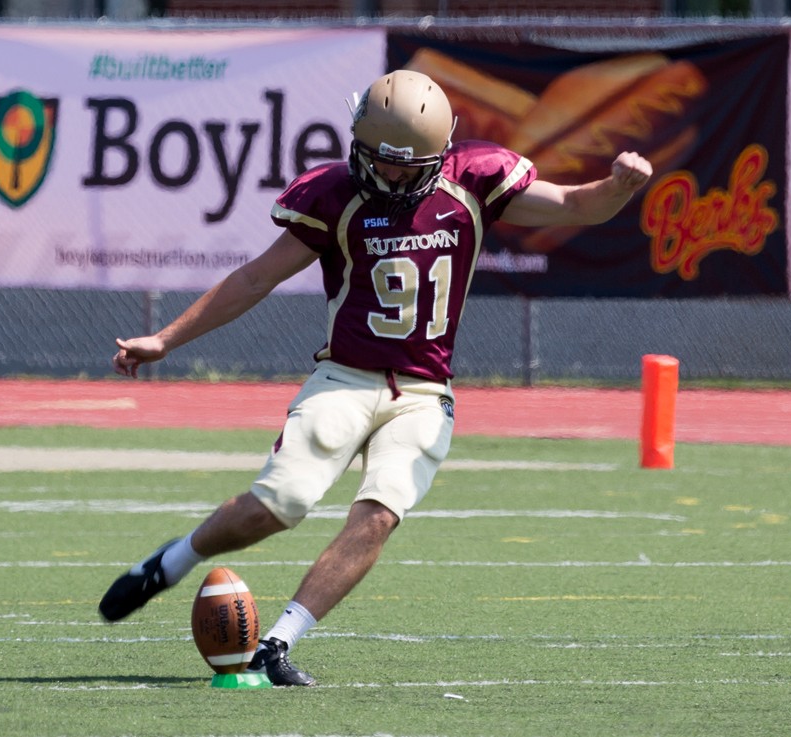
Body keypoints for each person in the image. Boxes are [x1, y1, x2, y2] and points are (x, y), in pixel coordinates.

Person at [98, 69, 653, 686]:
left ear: (440, 157)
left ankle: (276, 645)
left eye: (404, 167)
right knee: (280, 505)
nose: (387, 176)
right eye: (377, 161)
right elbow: (257, 277)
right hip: (344, 377)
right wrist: (165, 339)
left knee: (380, 511)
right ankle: (170, 563)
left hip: (423, 392)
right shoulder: (335, 195)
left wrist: (619, 185)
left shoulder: (475, 181)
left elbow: (580, 205)